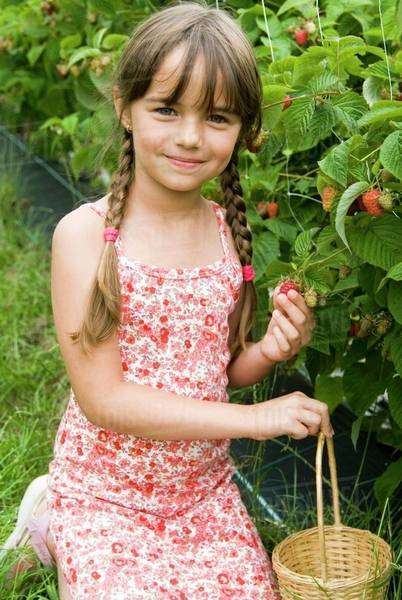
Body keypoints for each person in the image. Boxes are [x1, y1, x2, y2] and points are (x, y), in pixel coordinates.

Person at [2, 1, 334, 598]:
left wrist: (271, 350)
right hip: (107, 492)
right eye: (166, 109)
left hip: (200, 490)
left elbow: (221, 372)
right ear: (124, 109)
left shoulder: (227, 231)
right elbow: (104, 399)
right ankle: (56, 515)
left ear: (242, 129)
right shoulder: (84, 237)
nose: (189, 137)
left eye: (218, 118)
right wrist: (255, 420)